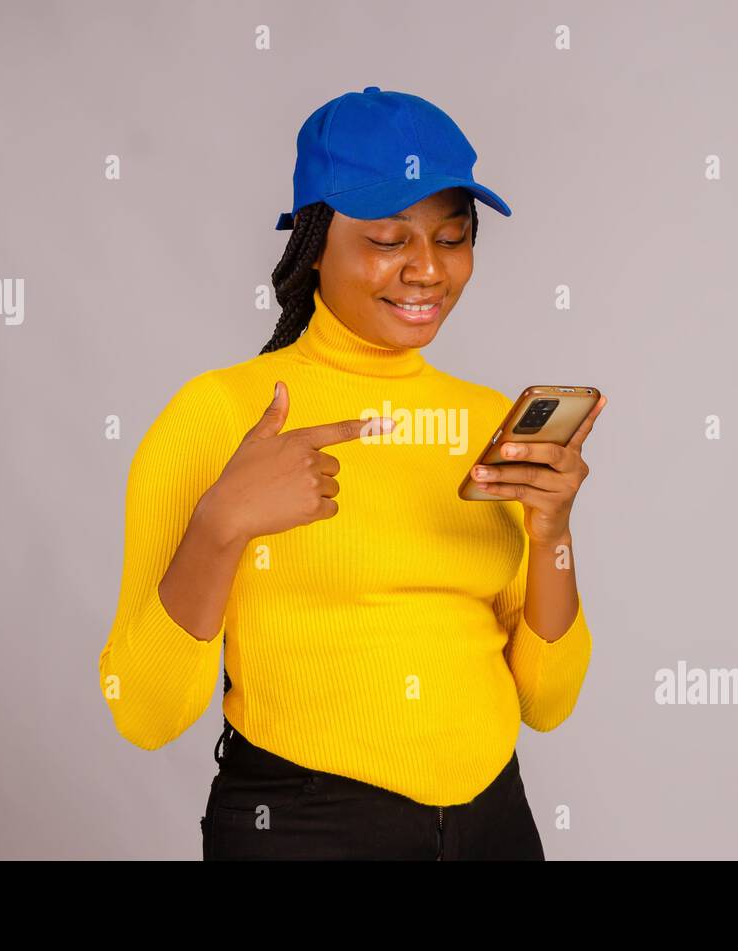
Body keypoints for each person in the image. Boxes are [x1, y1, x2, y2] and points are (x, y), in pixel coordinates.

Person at [98, 85, 605, 860]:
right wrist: (221, 523)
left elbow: (546, 701)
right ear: (314, 243)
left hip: (493, 820)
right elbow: (143, 711)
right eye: (388, 239)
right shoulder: (218, 414)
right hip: (307, 825)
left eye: (452, 236)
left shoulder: (484, 420)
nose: (428, 270)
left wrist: (552, 532)